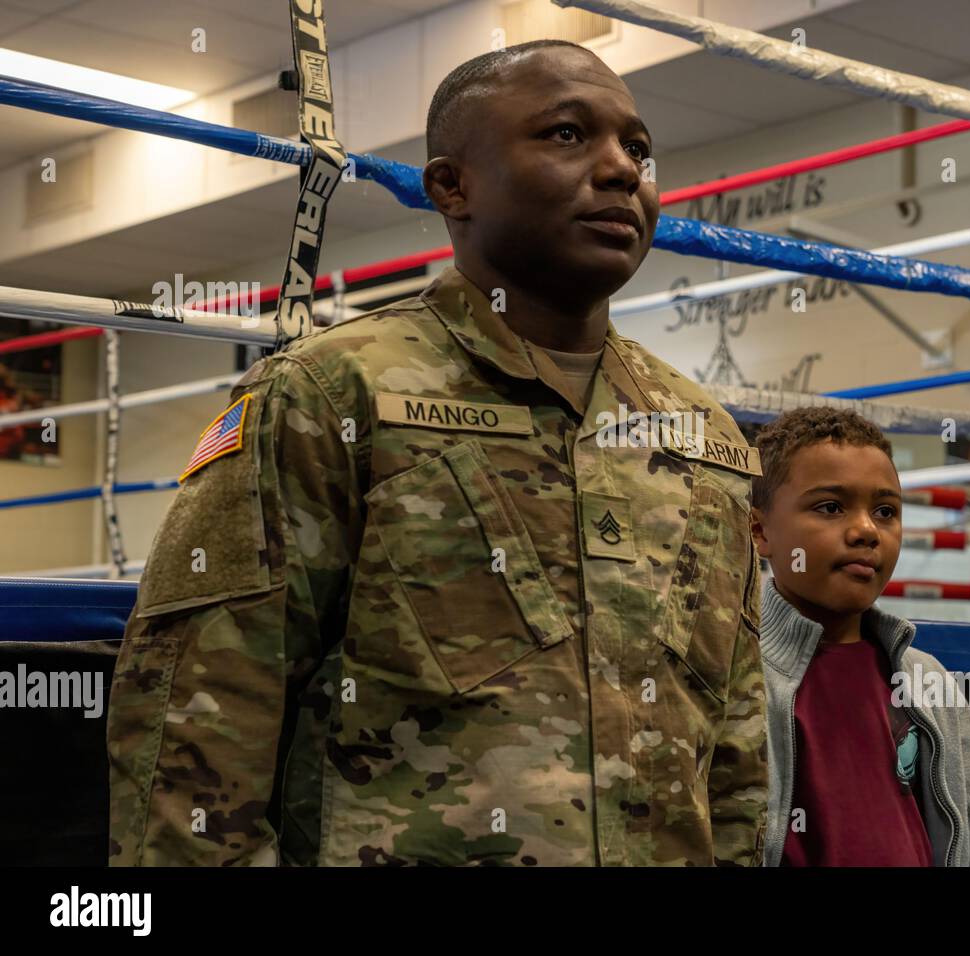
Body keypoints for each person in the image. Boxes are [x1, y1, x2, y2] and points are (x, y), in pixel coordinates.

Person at [106, 39, 767, 867]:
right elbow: (195, 728)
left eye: (637, 149)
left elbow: (735, 747)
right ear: (452, 186)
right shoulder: (331, 396)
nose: (621, 170)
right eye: (567, 135)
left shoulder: (703, 437)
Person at [748, 407, 970, 866]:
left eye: (885, 511)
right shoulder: (735, 676)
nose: (866, 530)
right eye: (830, 507)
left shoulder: (928, 681)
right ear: (761, 530)